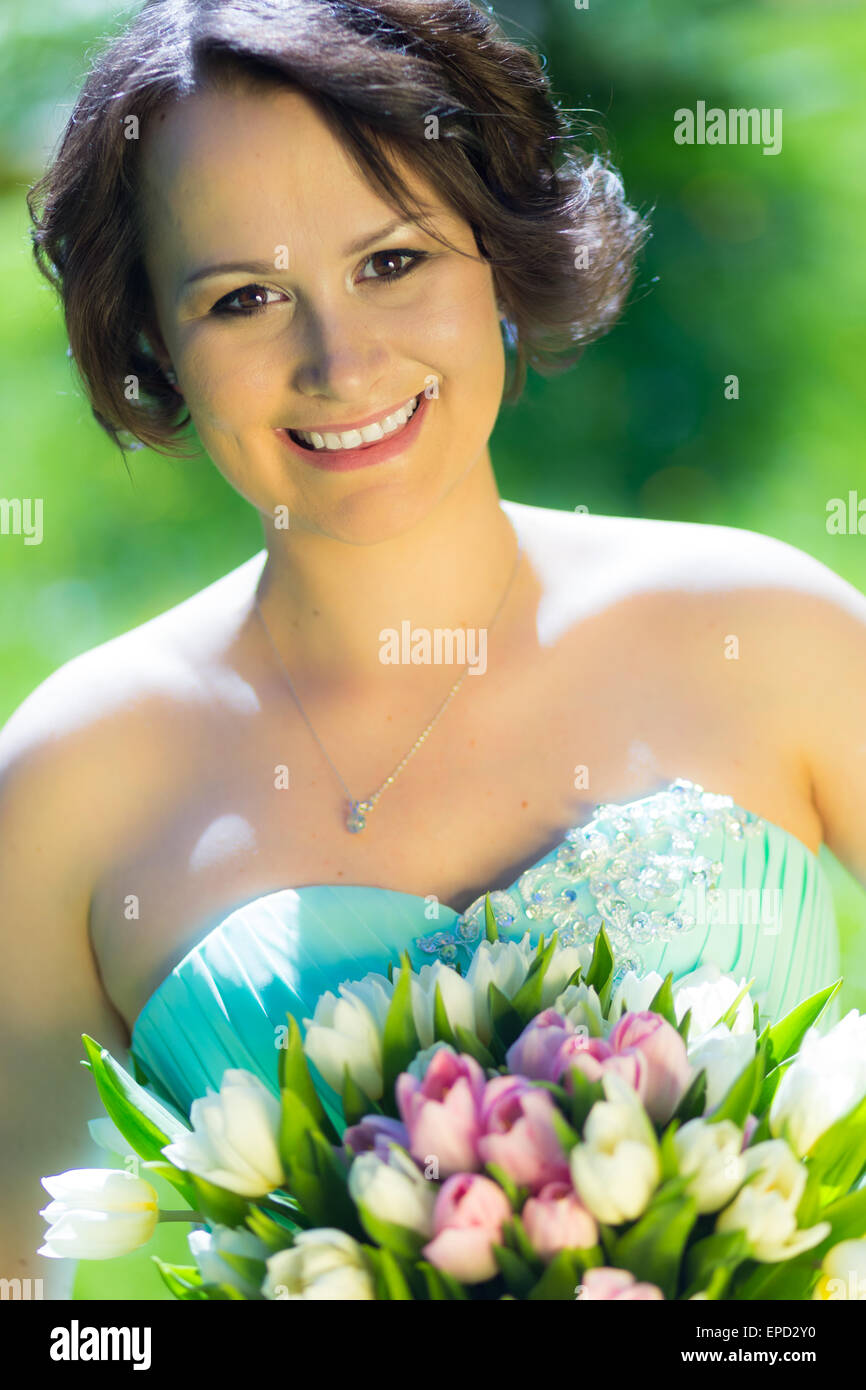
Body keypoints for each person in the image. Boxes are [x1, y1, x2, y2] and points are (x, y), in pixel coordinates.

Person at [4, 0, 865, 1300]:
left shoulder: (772, 631)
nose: (339, 360)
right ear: (156, 347)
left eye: (392, 262)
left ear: (498, 259)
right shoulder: (69, 775)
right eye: (243, 298)